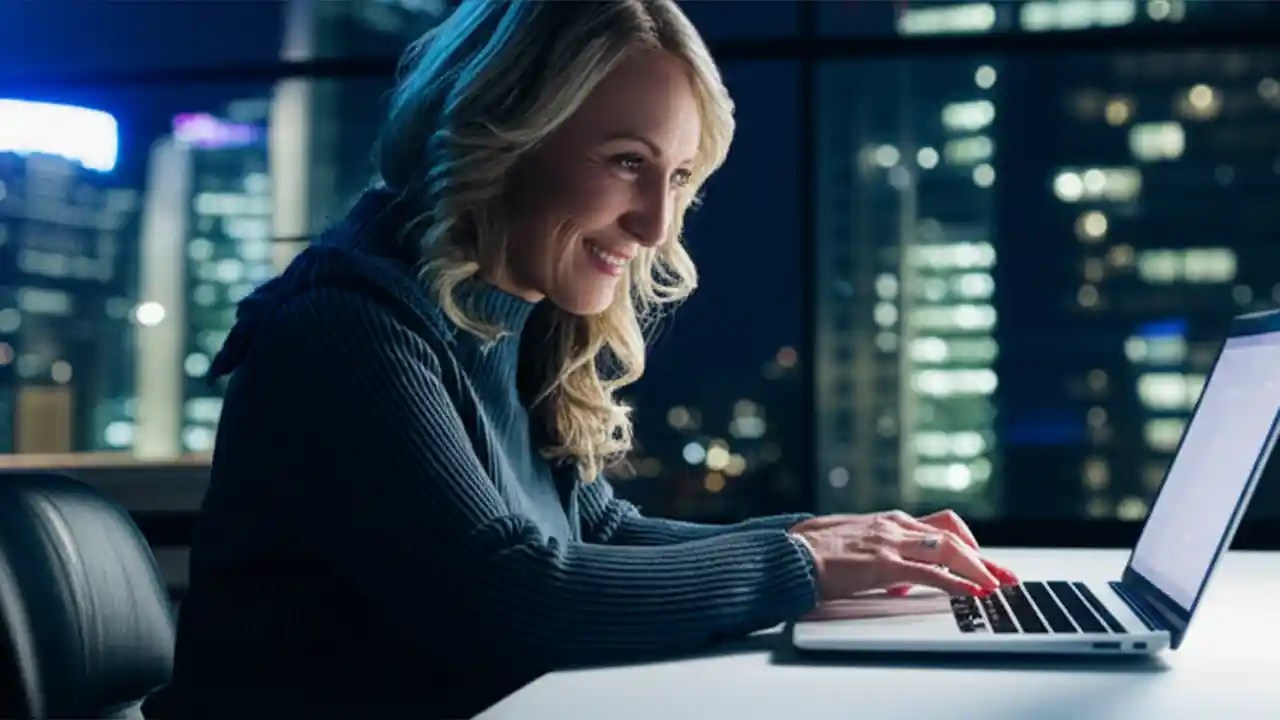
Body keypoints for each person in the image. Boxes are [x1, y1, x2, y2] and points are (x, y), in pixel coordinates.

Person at [167, 1, 1018, 717]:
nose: (656, 224)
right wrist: (799, 566)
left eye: (679, 176)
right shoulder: (345, 330)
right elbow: (505, 597)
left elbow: (596, 533)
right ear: (504, 132)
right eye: (626, 164)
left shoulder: (510, 317)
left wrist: (820, 540)